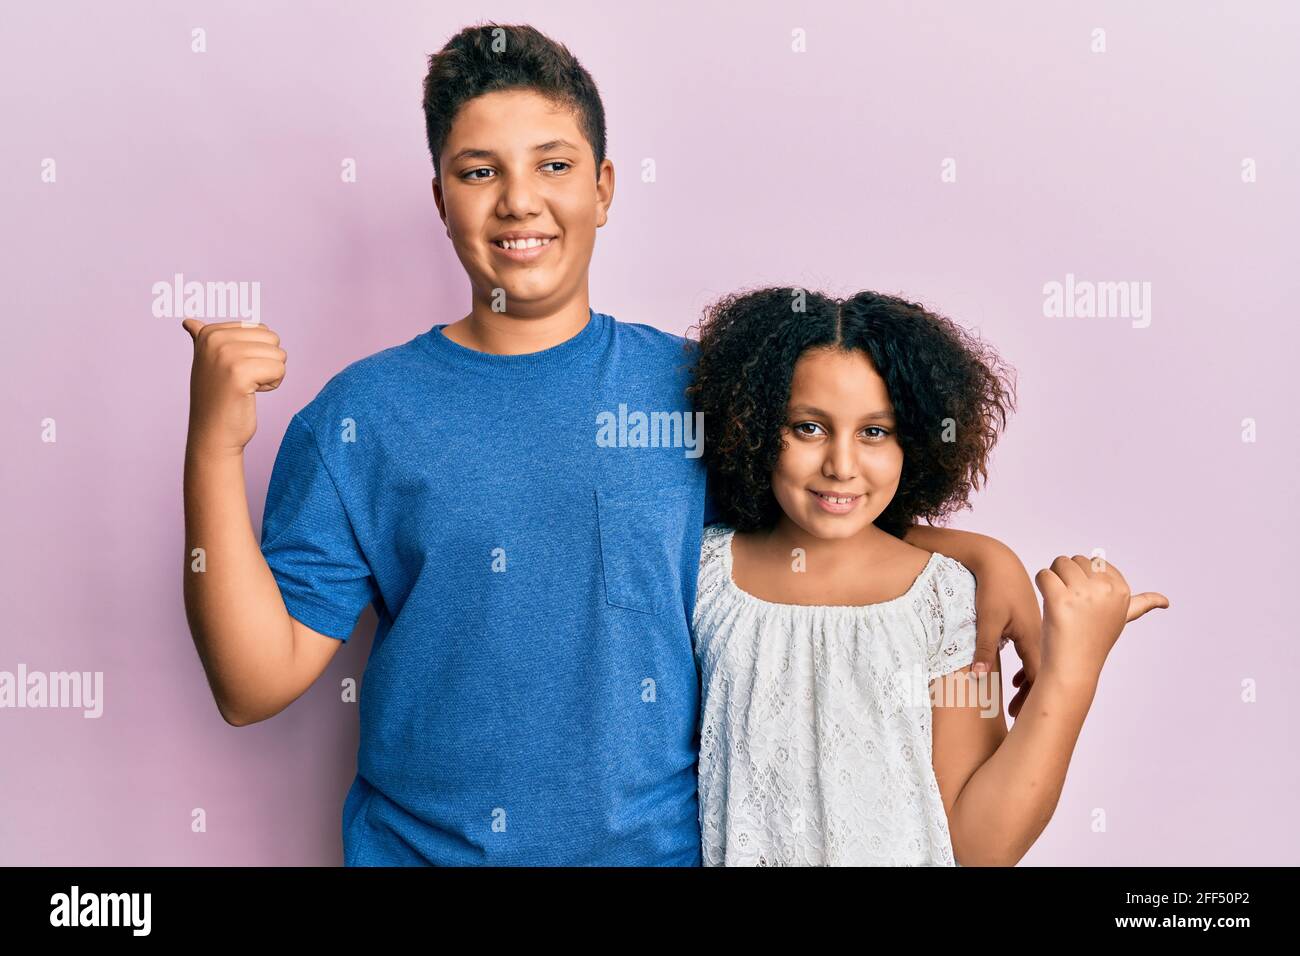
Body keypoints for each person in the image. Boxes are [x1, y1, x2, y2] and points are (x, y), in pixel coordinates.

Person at [180, 23, 1043, 866]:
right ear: (441, 198)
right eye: (480, 172)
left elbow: (816, 525)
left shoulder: (704, 392)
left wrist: (974, 556)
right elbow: (252, 685)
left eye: (553, 165)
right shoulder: (361, 416)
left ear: (603, 188)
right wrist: (214, 448)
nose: (519, 199)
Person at [686, 287, 1169, 865]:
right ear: (756, 427)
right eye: (808, 427)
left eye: (875, 432)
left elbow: (978, 846)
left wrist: (1075, 670)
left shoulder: (944, 597)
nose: (841, 465)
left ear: (913, 442)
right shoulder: (701, 575)